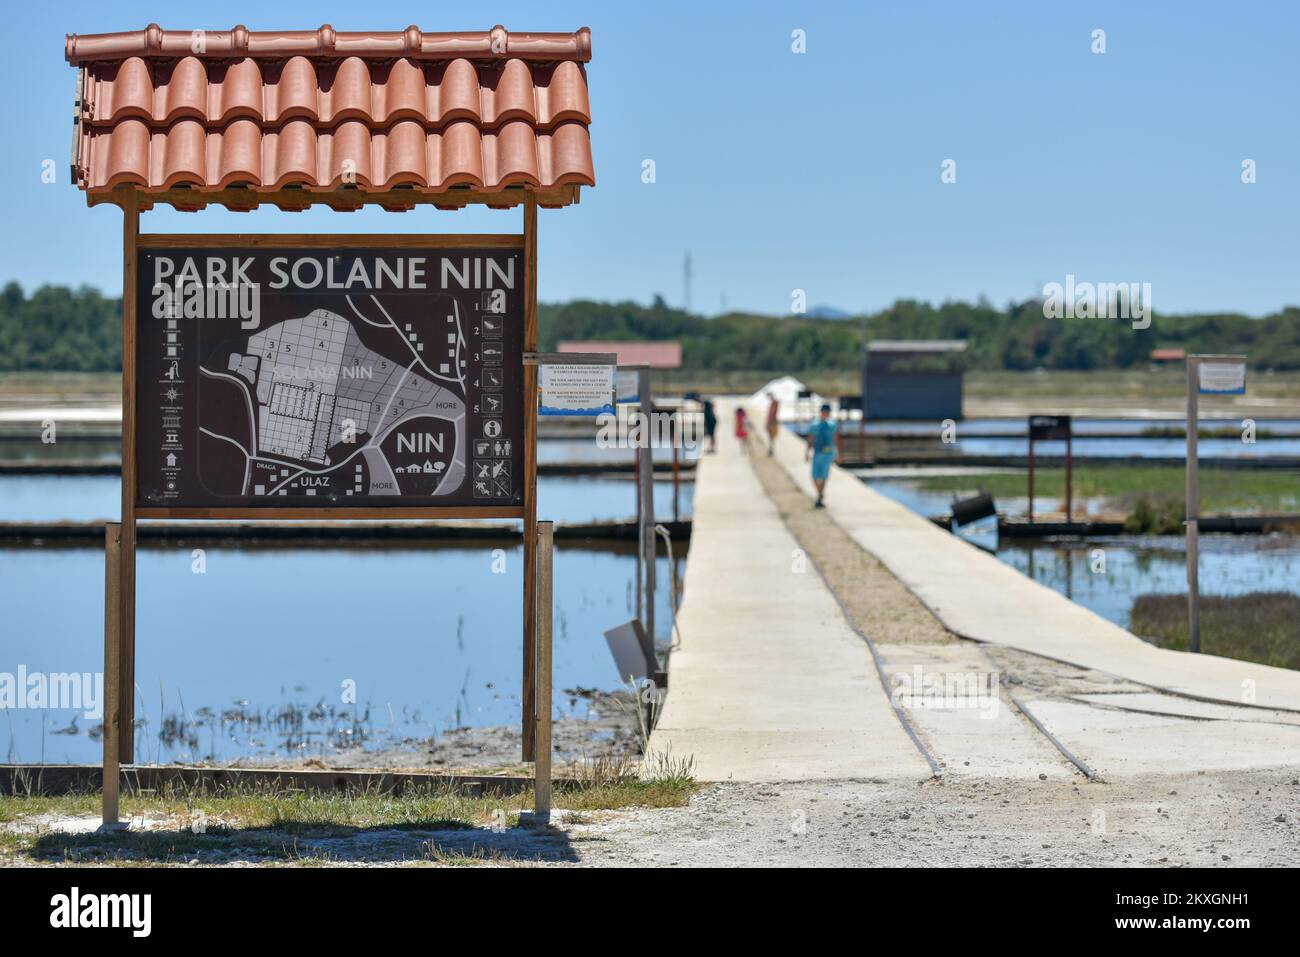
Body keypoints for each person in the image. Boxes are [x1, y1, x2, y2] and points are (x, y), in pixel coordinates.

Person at [805, 403, 839, 507]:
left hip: (828, 453)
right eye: (824, 412)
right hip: (817, 452)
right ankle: (820, 493)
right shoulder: (814, 425)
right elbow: (810, 439)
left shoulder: (832, 425)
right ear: (821, 412)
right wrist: (806, 452)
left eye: (827, 412)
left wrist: (837, 454)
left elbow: (835, 439)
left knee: (824, 476)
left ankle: (819, 496)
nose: (825, 414)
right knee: (814, 476)